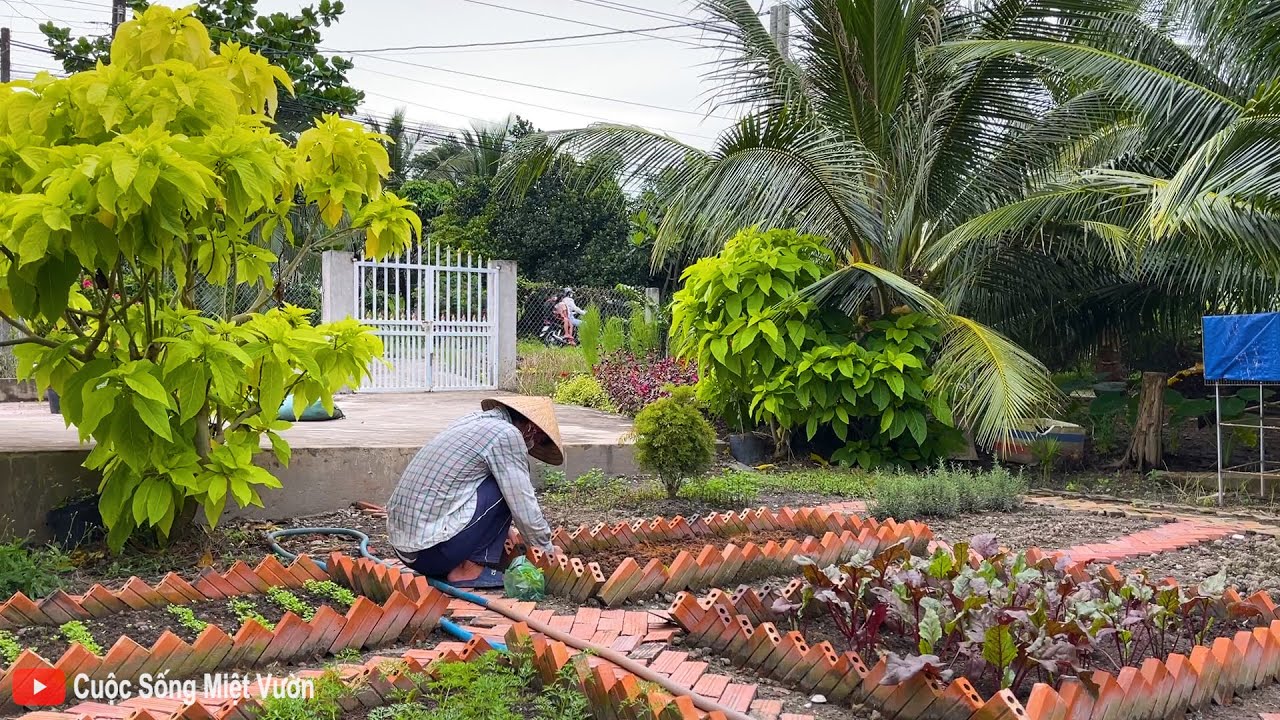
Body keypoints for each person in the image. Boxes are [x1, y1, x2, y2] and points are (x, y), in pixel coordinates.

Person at [385, 396, 563, 588]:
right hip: (430, 553)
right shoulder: (507, 435)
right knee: (509, 486)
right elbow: (523, 504)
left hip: (405, 549)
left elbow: (461, 487)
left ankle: (465, 562)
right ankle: (468, 570)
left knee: (505, 480)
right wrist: (546, 550)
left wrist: (504, 529)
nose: (532, 445)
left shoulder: (474, 421)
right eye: (538, 440)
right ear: (531, 428)